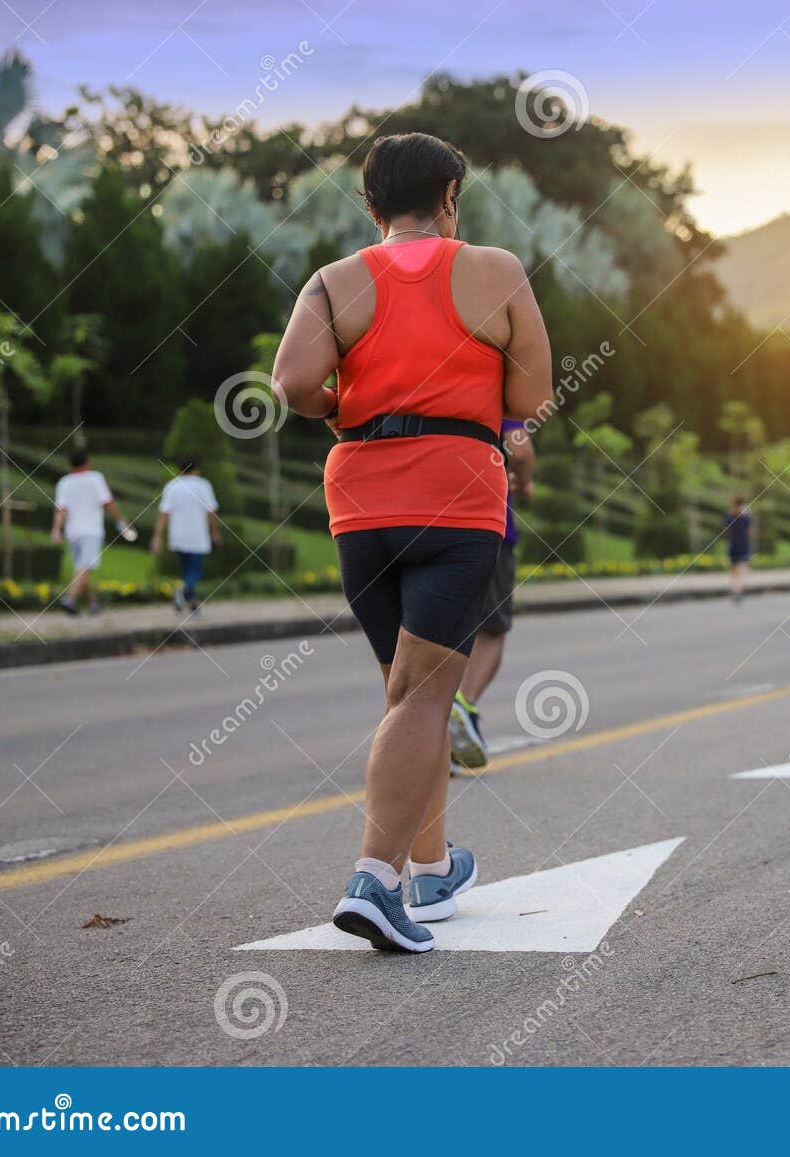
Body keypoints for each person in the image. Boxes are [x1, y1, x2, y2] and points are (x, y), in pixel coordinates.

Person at [270, 132, 553, 953]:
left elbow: (291, 385)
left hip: (360, 497)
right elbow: (530, 392)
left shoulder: (332, 282)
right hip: (455, 493)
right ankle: (373, 878)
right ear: (451, 196)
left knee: (407, 694)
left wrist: (346, 405)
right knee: (426, 696)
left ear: (370, 207)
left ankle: (431, 870)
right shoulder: (495, 270)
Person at [448, 420, 534, 777]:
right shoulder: (489, 383)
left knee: (434, 630)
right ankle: (461, 706)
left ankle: (427, 733)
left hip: (422, 523)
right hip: (488, 525)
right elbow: (521, 447)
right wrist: (525, 480)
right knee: (491, 630)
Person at [50, 448, 134, 615]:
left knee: (82, 569)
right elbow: (108, 503)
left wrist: (56, 530)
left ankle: (92, 603)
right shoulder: (96, 478)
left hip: (72, 532)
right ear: (87, 462)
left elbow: (60, 509)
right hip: (92, 531)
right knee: (85, 566)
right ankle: (70, 599)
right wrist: (121, 520)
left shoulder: (64, 482)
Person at [150, 460, 221, 613]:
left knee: (186, 570)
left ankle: (192, 603)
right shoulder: (203, 485)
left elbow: (163, 515)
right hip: (198, 535)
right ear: (196, 470)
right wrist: (215, 533)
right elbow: (211, 513)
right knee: (195, 571)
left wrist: (157, 537)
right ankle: (182, 593)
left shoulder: (172, 486)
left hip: (178, 536)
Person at [724, 496, 752, 603]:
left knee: (733, 570)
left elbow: (727, 530)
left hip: (732, 545)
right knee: (742, 569)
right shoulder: (746, 517)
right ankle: (739, 590)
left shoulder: (729, 516)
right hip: (743, 545)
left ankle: (734, 589)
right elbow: (749, 531)